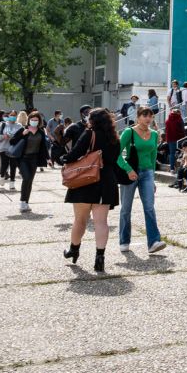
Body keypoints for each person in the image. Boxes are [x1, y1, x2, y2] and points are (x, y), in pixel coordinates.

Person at [63, 108, 128, 273]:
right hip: (106, 181)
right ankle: (100, 258)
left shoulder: (89, 133)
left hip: (86, 180)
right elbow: (113, 160)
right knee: (101, 222)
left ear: (93, 121)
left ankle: (74, 250)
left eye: (89, 118)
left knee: (80, 220)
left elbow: (74, 154)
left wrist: (62, 158)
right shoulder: (115, 138)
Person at [117, 106, 167, 256]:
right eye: (144, 115)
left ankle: (153, 242)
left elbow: (153, 158)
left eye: (150, 116)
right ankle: (124, 241)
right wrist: (128, 169)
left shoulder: (154, 134)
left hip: (147, 173)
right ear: (138, 117)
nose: (148, 119)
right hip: (130, 173)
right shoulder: (129, 132)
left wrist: (152, 180)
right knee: (126, 209)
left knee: (149, 208)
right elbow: (117, 155)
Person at [9, 111, 50, 213]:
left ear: (39, 121)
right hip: (23, 158)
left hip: (34, 159)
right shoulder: (23, 129)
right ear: (29, 120)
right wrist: (22, 134)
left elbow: (44, 147)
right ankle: (22, 202)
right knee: (26, 178)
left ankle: (26, 202)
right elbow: (12, 141)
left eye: (36, 120)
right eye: (32, 120)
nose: (34, 121)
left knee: (30, 181)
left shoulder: (41, 132)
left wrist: (48, 158)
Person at [0, 111, 23, 187]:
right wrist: (4, 136)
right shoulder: (3, 124)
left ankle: (12, 182)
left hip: (14, 148)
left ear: (16, 116)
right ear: (8, 116)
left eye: (14, 115)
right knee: (5, 163)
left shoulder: (19, 126)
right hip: (3, 147)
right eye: (11, 115)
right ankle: (2, 176)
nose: (13, 117)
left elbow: (22, 137)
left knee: (13, 165)